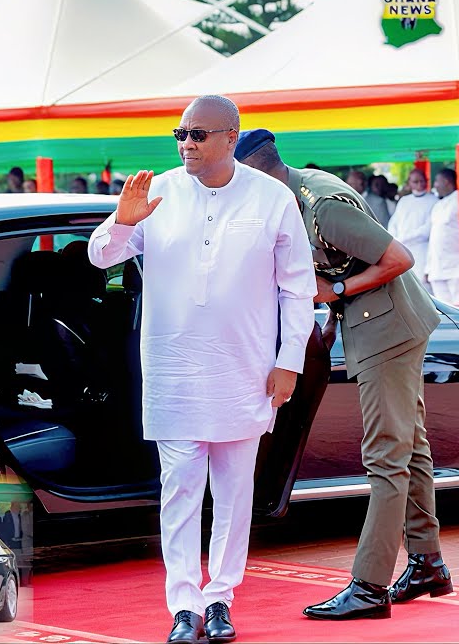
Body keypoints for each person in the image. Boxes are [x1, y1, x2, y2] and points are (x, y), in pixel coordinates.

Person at [90, 101, 315, 644]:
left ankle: (221, 600)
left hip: (246, 371)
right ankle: (185, 606)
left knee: (236, 495)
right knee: (181, 491)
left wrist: (289, 362)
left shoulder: (272, 198)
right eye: (179, 134)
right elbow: (100, 257)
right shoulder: (159, 192)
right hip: (175, 373)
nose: (185, 143)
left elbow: (298, 287)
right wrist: (123, 221)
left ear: (231, 137)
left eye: (197, 134)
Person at [236, 129, 449, 622]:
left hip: (389, 330)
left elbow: (398, 258)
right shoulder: (294, 196)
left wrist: (334, 289)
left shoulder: (322, 206)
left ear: (260, 175)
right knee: (409, 447)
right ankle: (427, 563)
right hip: (373, 324)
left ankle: (369, 586)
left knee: (386, 457)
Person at [387, 168, 437, 293]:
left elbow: (427, 229)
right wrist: (394, 239)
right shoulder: (404, 201)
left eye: (422, 181)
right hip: (401, 249)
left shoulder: (434, 200)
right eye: (416, 181)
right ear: (409, 183)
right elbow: (394, 223)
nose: (419, 184)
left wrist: (404, 238)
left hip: (422, 249)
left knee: (423, 287)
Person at [426, 168, 459, 303]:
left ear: (446, 181)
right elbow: (433, 236)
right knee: (444, 312)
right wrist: (429, 267)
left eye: (437, 181)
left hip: (456, 266)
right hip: (437, 266)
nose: (435, 186)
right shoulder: (438, 204)